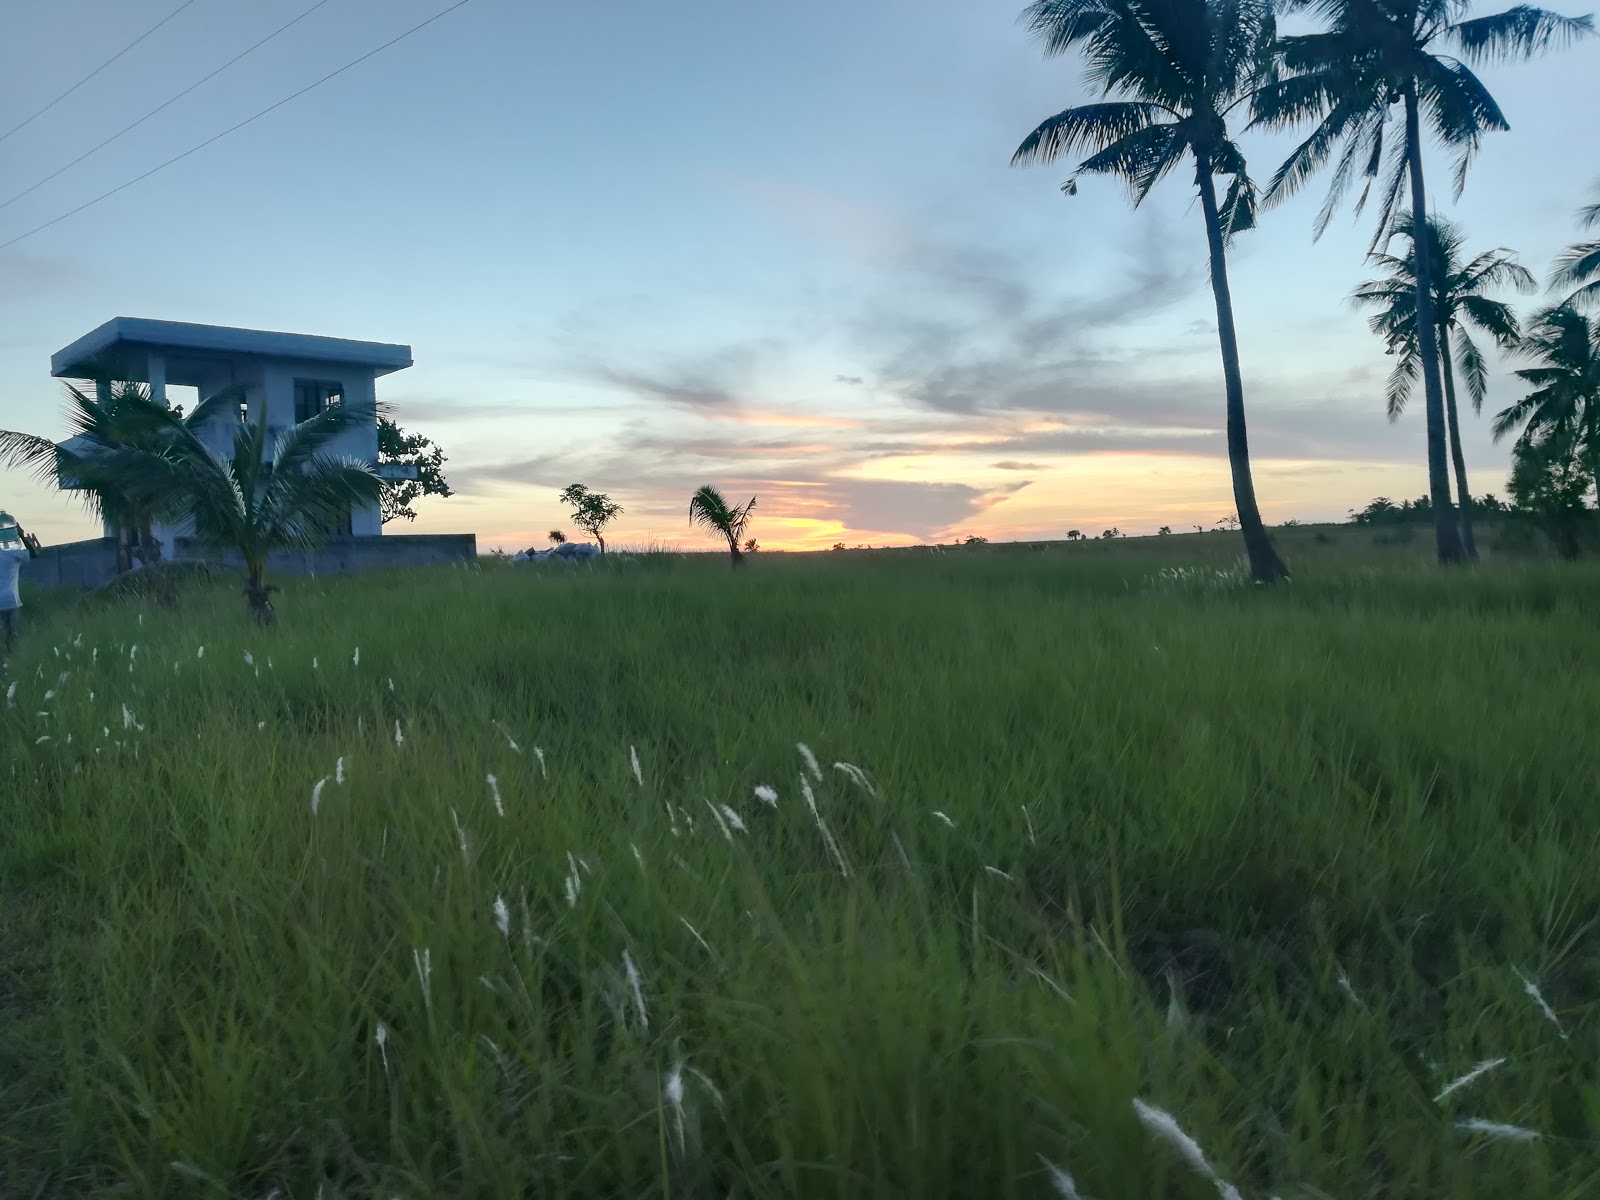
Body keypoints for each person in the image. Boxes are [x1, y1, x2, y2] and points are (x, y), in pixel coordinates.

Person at [0, 517, 39, 657]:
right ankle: (11, 658)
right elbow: (34, 553)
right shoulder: (13, 555)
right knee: (12, 632)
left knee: (5, 633)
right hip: (11, 600)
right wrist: (22, 535)